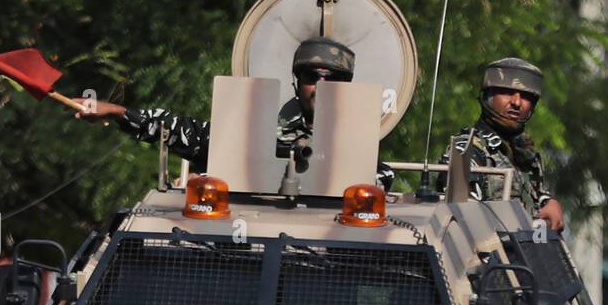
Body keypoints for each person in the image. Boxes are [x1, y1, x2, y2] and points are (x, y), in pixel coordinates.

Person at [74, 36, 394, 190]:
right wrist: (117, 112)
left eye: (332, 79)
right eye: (312, 77)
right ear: (298, 82)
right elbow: (188, 132)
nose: (320, 87)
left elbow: (381, 180)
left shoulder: (360, 149)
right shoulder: (262, 129)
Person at [438, 57, 564, 230]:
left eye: (526, 96)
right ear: (488, 96)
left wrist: (549, 204)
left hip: (523, 252)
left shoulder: (525, 153)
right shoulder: (468, 151)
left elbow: (536, 215)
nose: (517, 102)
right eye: (506, 92)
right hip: (485, 253)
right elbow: (463, 219)